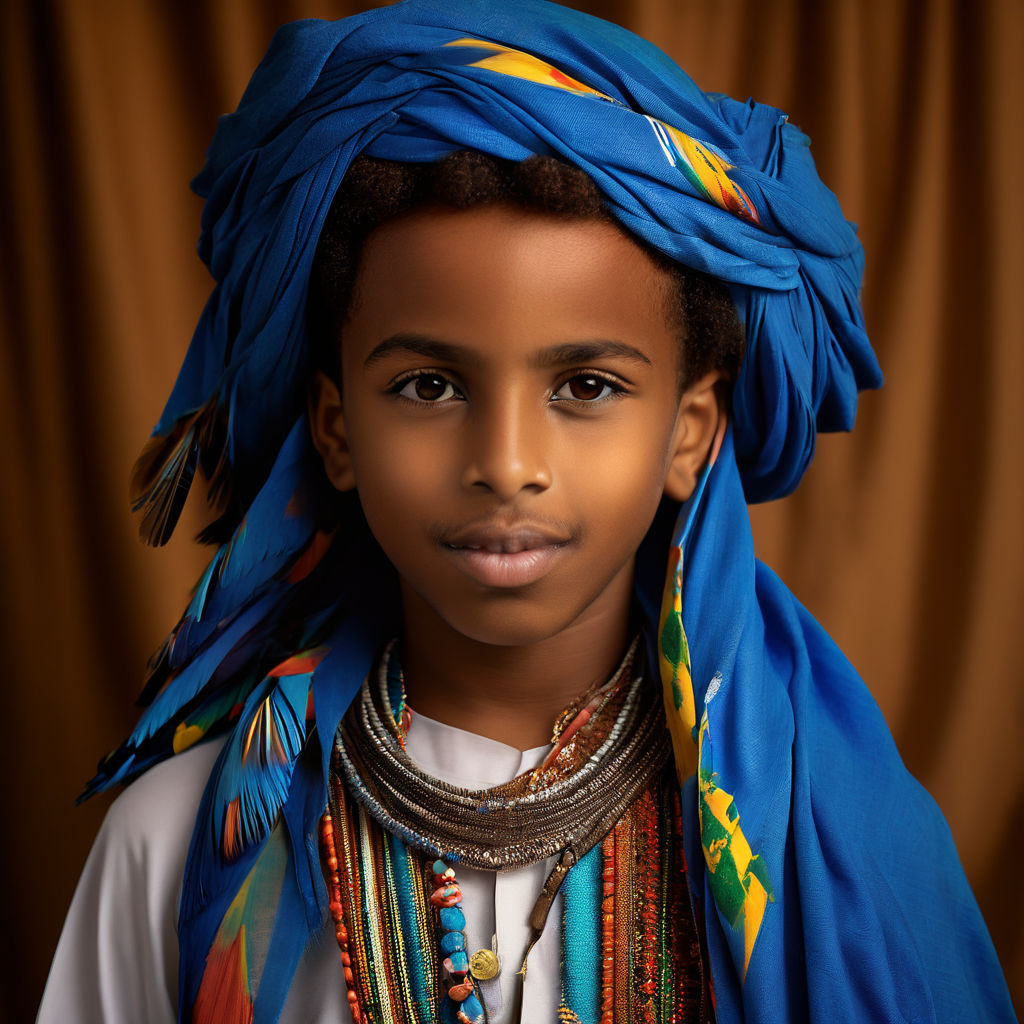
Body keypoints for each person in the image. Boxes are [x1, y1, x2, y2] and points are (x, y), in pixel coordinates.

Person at [38, 1, 1015, 1022]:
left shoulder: (845, 845)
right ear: (335, 429)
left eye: (585, 387)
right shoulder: (176, 842)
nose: (505, 465)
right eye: (428, 386)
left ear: (690, 432)